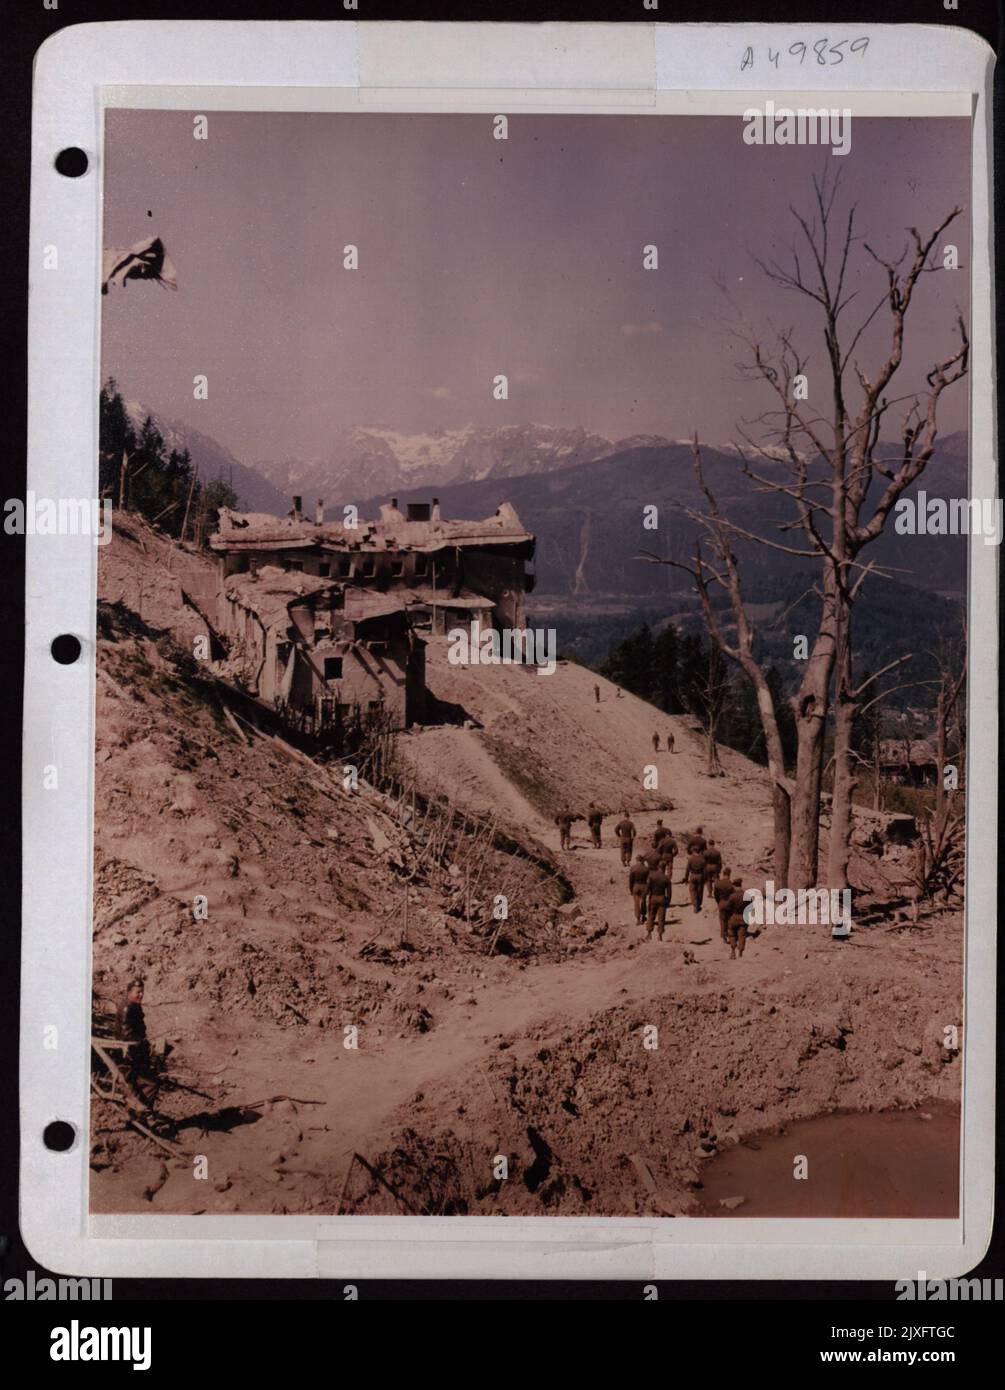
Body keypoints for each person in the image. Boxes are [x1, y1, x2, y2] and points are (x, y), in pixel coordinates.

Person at [116, 976, 151, 1090]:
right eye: (138, 992)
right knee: (150, 1082)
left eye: (142, 992)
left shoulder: (134, 1005)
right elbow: (126, 1034)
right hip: (127, 1049)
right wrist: (142, 1041)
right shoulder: (127, 1008)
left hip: (134, 1045)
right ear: (129, 993)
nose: (141, 995)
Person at [725, 877, 749, 959]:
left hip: (734, 917)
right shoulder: (747, 895)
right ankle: (740, 952)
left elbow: (728, 908)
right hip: (744, 917)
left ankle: (733, 951)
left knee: (732, 934)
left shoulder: (732, 896)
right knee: (742, 935)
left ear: (734, 886)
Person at [646, 861, 671, 940]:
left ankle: (649, 933)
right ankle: (660, 935)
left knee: (651, 915)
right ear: (664, 868)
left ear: (657, 867)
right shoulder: (666, 878)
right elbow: (669, 892)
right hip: (662, 897)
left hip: (653, 897)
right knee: (661, 917)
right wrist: (668, 901)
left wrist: (648, 894)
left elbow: (648, 888)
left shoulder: (652, 876)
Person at [714, 867, 735, 941]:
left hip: (721, 902)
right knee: (729, 918)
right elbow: (734, 895)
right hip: (729, 903)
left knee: (722, 919)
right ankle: (730, 933)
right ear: (729, 874)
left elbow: (715, 894)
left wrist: (718, 902)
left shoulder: (718, 883)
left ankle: (723, 934)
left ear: (723, 874)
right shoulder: (731, 885)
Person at [629, 854, 649, 925]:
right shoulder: (646, 868)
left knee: (636, 903)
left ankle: (638, 918)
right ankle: (643, 916)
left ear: (636, 860)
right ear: (642, 860)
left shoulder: (633, 868)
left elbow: (631, 880)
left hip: (636, 886)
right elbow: (648, 880)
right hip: (644, 886)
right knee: (643, 901)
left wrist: (631, 889)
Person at [685, 846, 707, 912]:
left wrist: (686, 878)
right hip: (700, 875)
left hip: (693, 875)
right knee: (700, 890)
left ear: (694, 851)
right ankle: (698, 904)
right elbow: (705, 870)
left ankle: (695, 904)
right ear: (700, 851)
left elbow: (687, 869)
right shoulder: (703, 859)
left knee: (692, 890)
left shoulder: (691, 859)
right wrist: (705, 879)